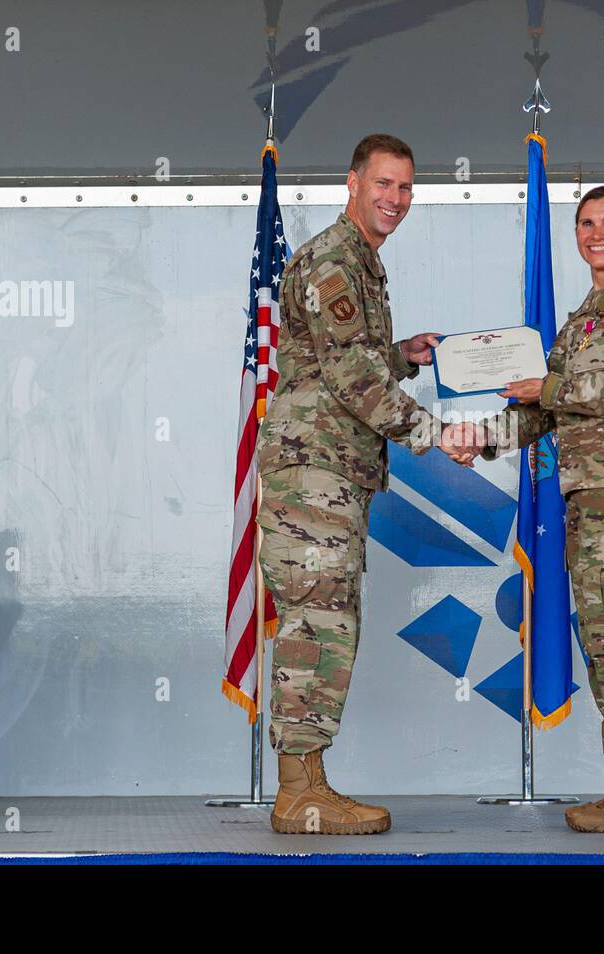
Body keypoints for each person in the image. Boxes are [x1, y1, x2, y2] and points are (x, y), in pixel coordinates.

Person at [448, 186, 604, 832]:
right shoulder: (581, 321)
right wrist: (483, 437)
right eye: (586, 223)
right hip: (592, 503)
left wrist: (547, 386)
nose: (597, 233)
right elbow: (545, 411)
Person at [257, 133, 472, 835]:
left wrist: (401, 357)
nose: (395, 200)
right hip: (314, 475)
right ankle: (297, 795)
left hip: (333, 475)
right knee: (315, 625)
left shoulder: (362, 264)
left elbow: (343, 362)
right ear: (352, 182)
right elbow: (352, 381)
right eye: (384, 184)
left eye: (407, 188)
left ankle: (310, 782)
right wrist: (435, 433)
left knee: (327, 624)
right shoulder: (333, 261)